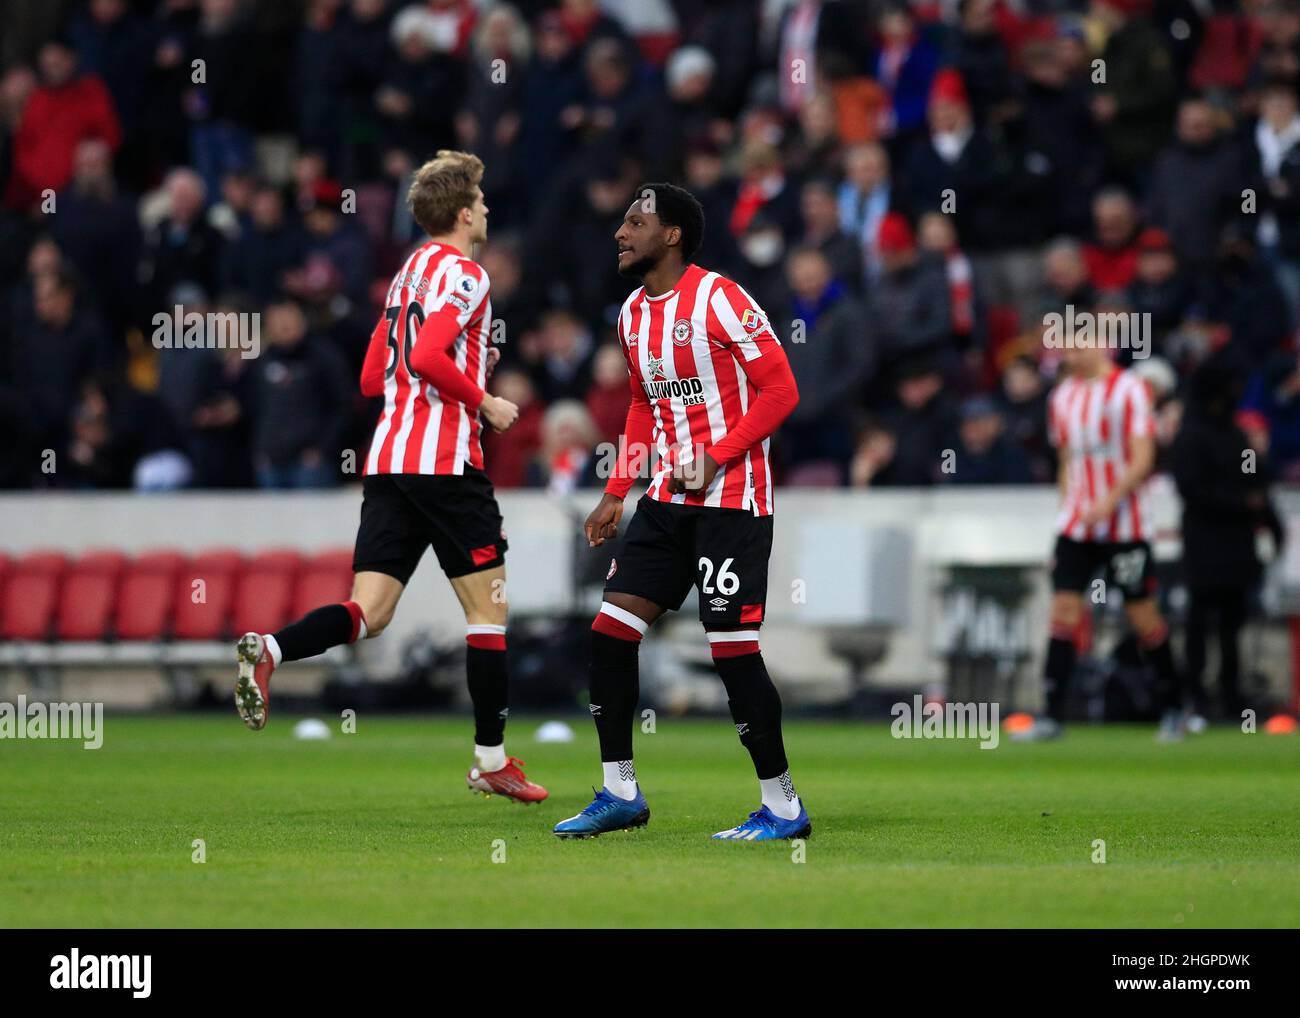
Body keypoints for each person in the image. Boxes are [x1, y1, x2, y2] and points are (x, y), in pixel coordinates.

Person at [233, 150, 547, 804]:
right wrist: (483, 399)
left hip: (389, 460)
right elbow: (430, 354)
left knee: (370, 612)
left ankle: (270, 650)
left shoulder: (408, 272)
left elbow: (373, 376)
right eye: (482, 202)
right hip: (444, 464)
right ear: (464, 213)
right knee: (488, 613)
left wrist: (435, 375)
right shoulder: (466, 275)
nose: (487, 210)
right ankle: (490, 759)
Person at [554, 183, 808, 841]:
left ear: (671, 235)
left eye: (635, 222)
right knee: (610, 633)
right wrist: (617, 492)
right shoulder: (633, 313)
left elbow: (782, 390)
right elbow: (643, 406)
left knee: (731, 651)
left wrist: (720, 456)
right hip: (665, 501)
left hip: (732, 503)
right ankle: (620, 792)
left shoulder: (721, 298)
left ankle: (783, 807)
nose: (620, 233)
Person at [1016, 341, 1188, 742]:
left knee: (1142, 614)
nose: (1070, 358)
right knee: (1063, 611)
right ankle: (1051, 714)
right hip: (1077, 529)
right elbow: (1065, 461)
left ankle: (1174, 709)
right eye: (1066, 351)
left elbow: (1142, 457)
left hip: (1125, 529)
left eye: (1078, 348)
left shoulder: (1130, 390)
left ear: (1100, 346)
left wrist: (1108, 501)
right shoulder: (1062, 396)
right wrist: (1066, 513)